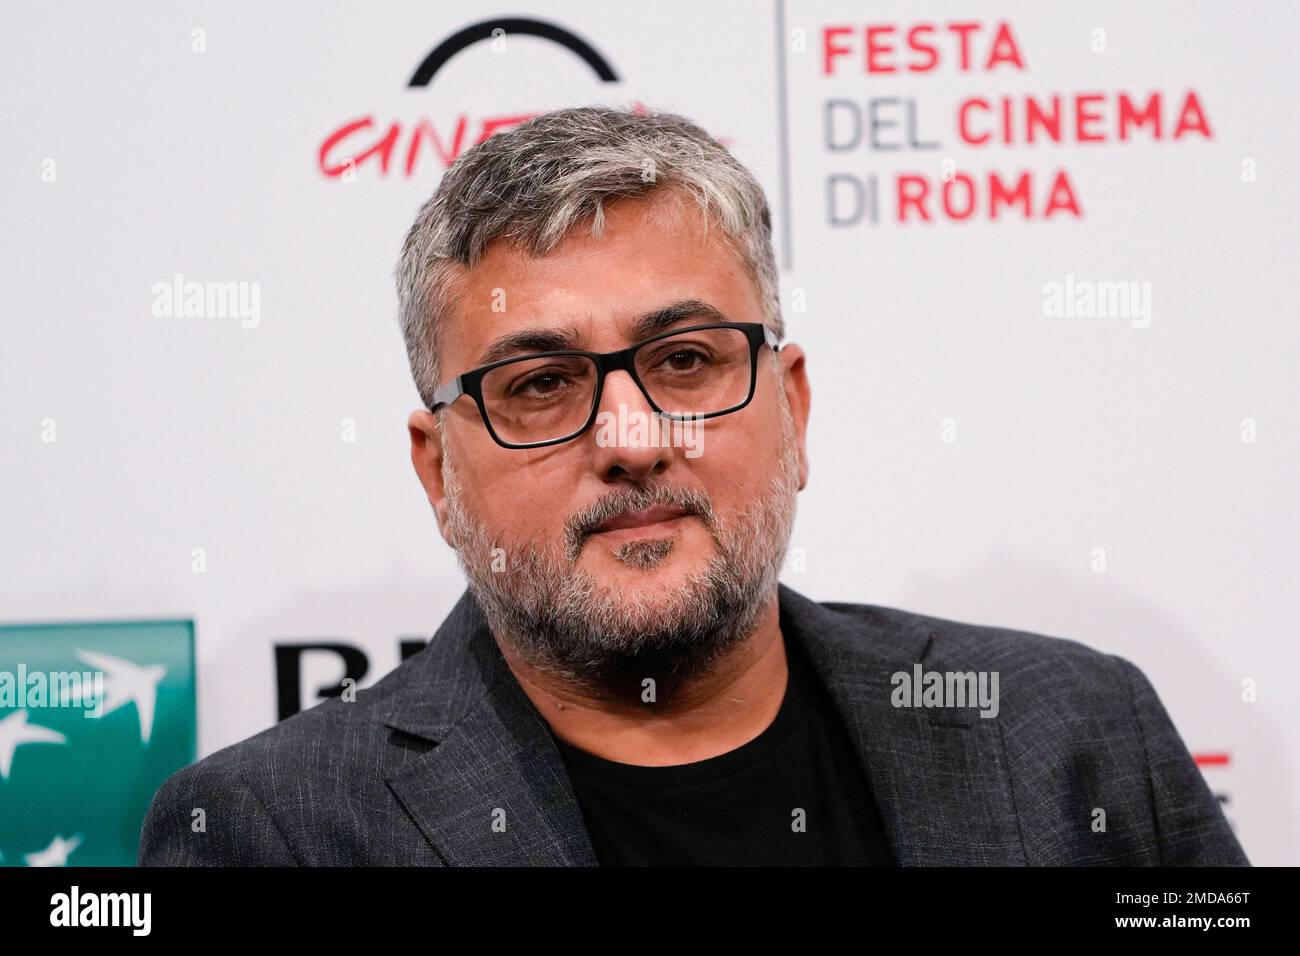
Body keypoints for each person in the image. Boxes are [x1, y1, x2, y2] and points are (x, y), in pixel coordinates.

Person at [139, 106, 1246, 866]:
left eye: (684, 361)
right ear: (439, 471)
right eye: (540, 383)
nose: (631, 436)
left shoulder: (1075, 736)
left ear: (792, 407)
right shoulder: (268, 831)